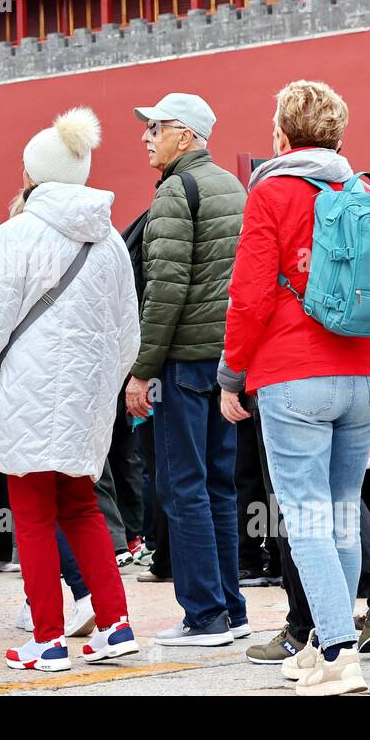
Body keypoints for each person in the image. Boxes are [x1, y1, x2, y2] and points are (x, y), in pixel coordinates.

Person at [0, 106, 141, 671]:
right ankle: (116, 625)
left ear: (33, 174)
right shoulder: (110, 242)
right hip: (84, 402)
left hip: (25, 397)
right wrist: (100, 387)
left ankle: (48, 639)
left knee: (30, 514)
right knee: (83, 506)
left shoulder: (17, 235)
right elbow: (129, 335)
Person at [218, 80, 370, 695]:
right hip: (363, 371)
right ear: (338, 136)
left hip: (295, 376)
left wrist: (233, 369)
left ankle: (339, 653)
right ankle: (325, 643)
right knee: (343, 512)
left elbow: (251, 293)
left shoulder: (271, 192)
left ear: (281, 136)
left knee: (310, 518)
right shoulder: (360, 188)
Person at [124, 92, 248, 647]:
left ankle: (204, 615)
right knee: (220, 485)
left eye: (157, 127)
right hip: (225, 360)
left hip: (183, 363)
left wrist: (140, 369)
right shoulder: (232, 187)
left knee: (183, 487)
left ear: (188, 135)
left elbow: (165, 292)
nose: (147, 136)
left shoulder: (178, 191)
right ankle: (231, 605)